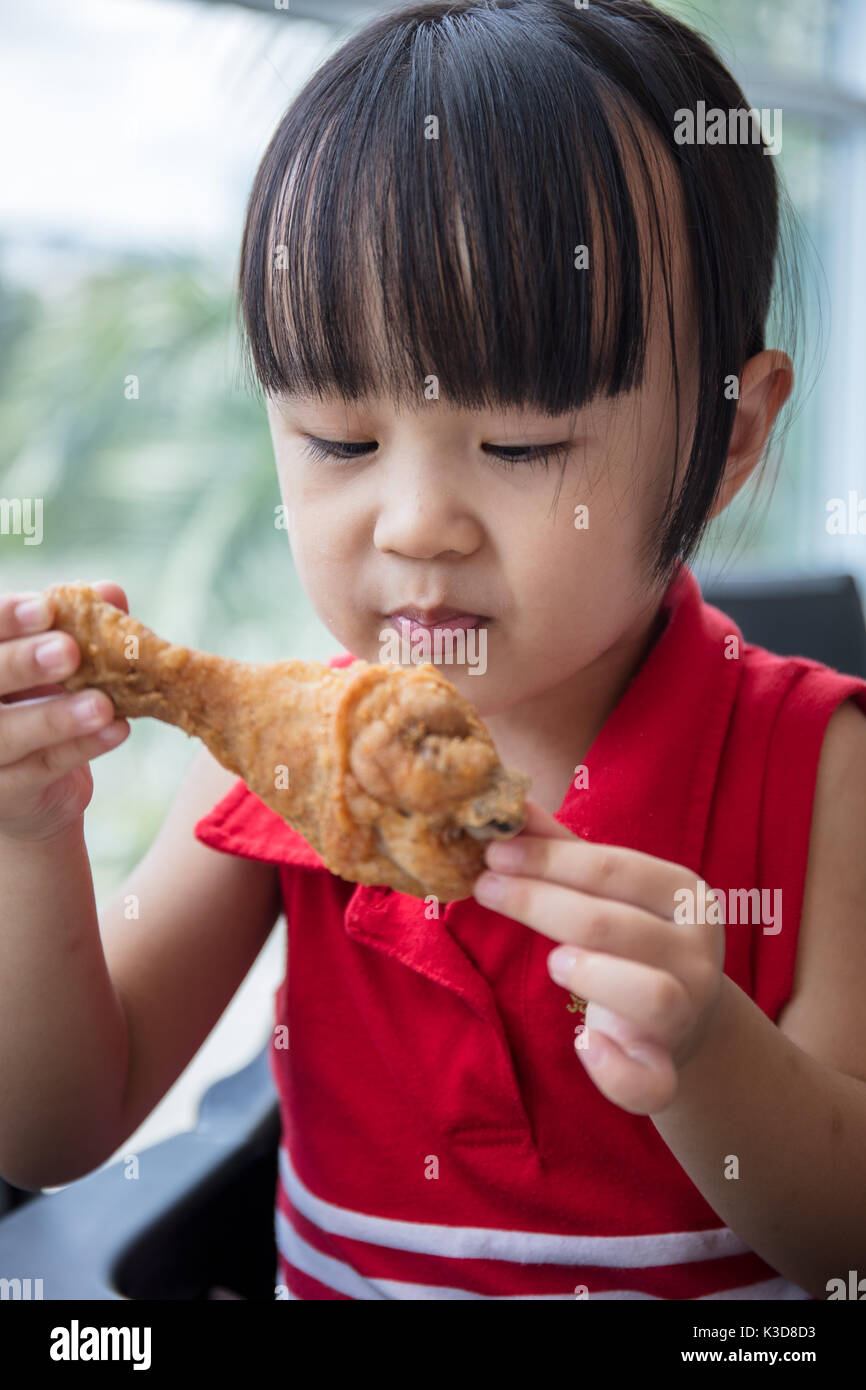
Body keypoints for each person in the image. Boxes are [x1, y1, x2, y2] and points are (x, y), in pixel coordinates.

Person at [3, 0, 866, 1300]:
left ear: (730, 440)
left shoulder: (821, 770)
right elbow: (61, 1127)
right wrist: (29, 836)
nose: (412, 524)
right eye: (339, 441)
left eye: (520, 446)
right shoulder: (277, 766)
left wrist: (705, 1051)